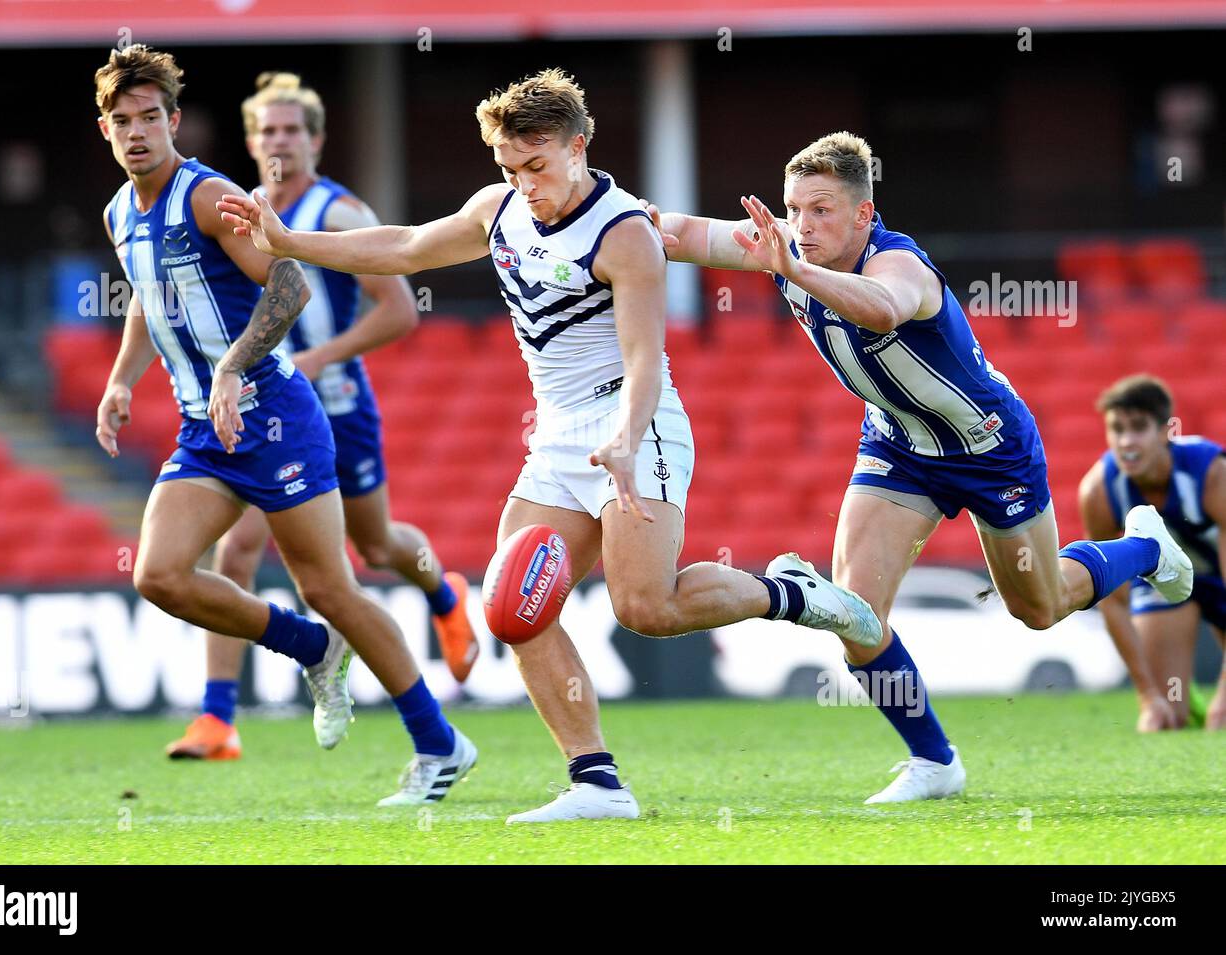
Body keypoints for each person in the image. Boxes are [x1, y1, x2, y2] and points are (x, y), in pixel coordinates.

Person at [218, 70, 883, 823]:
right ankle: (596, 780)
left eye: (535, 165)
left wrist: (627, 443)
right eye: (508, 167)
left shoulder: (624, 230)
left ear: (578, 147)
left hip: (638, 422)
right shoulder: (498, 209)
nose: (522, 183)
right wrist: (288, 241)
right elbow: (403, 246)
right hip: (559, 433)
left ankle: (794, 592)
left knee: (645, 607)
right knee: (514, 607)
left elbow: (642, 360)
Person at [647, 130, 1195, 802]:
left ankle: (1145, 546)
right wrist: (609, 216)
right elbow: (675, 232)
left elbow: (882, 310)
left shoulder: (897, 264)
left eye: (821, 210)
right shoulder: (782, 247)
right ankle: (935, 762)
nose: (802, 225)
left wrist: (794, 270)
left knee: (1043, 607)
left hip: (990, 450)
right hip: (900, 445)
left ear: (863, 215)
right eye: (795, 209)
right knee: (854, 613)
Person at [93, 45, 474, 805]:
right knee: (158, 574)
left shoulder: (208, 197)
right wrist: (118, 381)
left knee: (333, 585)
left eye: (149, 119)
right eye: (121, 121)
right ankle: (309, 647)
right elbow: (145, 293)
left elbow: (292, 283)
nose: (137, 134)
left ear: (174, 121)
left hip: (276, 417)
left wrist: (233, 364)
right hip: (207, 430)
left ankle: (441, 744)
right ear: (104, 128)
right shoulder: (117, 212)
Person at [1078, 374, 1226, 731]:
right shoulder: (1099, 491)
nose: (1126, 442)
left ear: (1165, 432)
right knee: (1164, 717)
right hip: (1165, 584)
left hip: (1218, 577)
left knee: (1223, 720)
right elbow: (1112, 600)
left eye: (1139, 427)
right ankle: (1184, 703)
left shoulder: (1213, 475)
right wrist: (1147, 695)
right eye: (1117, 429)